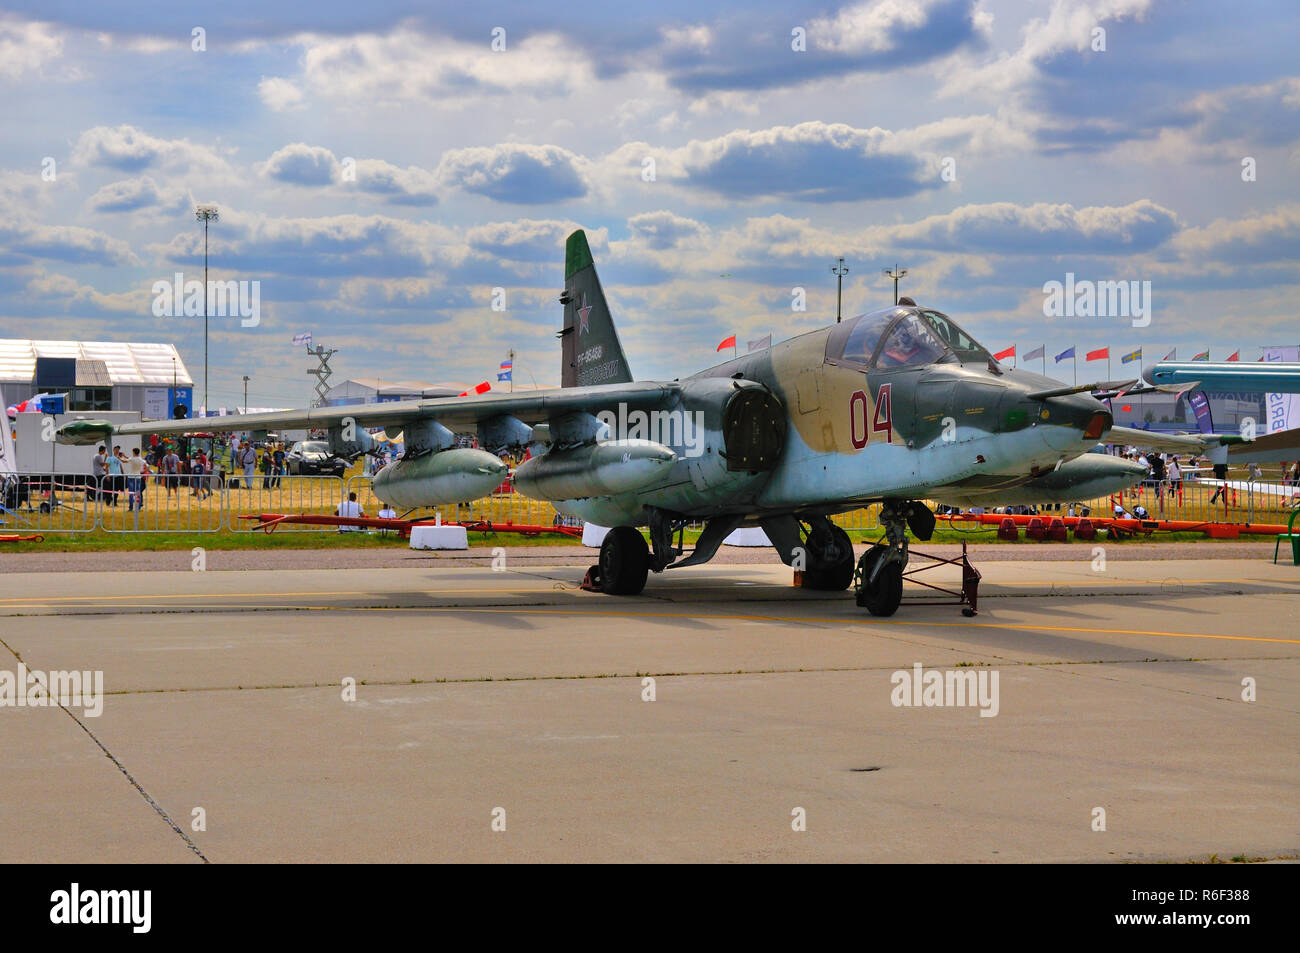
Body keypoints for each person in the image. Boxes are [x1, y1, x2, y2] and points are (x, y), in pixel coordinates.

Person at [123, 447, 146, 511]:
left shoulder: (132, 459)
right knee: (138, 492)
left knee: (131, 493)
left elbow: (125, 461)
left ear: (134, 452)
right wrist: (142, 472)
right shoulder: (140, 459)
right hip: (138, 477)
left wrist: (119, 458)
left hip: (131, 477)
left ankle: (131, 507)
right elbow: (145, 465)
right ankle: (138, 507)